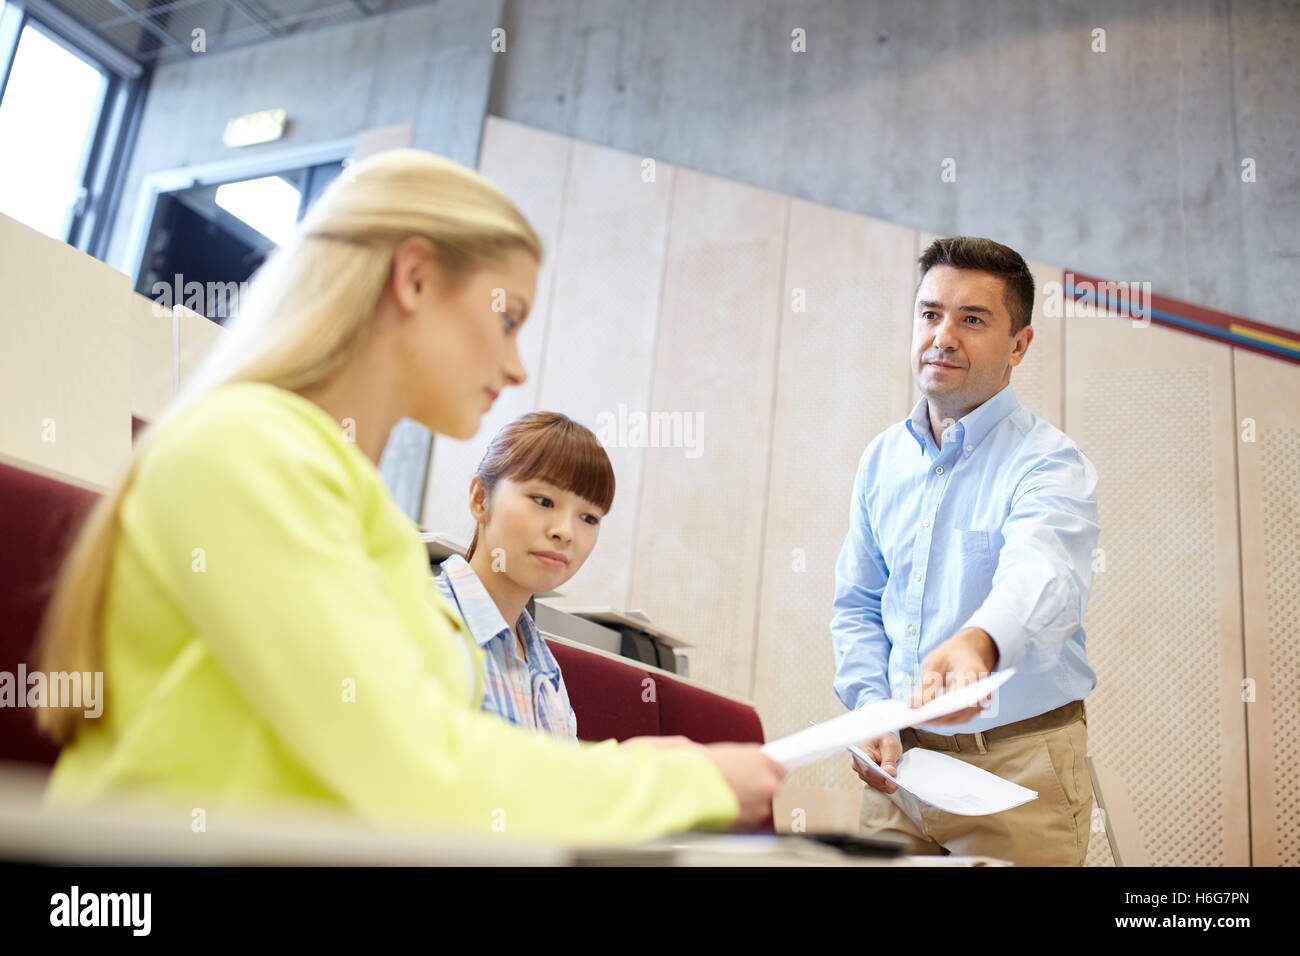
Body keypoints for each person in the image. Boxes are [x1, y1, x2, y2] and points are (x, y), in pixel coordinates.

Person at [36, 149, 785, 844]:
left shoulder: (340, 494)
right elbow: (418, 771)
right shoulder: (245, 449)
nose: (517, 365)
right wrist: (681, 780)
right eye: (507, 319)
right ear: (416, 279)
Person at [831, 236, 1100, 865]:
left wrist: (979, 642)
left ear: (1019, 345)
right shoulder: (881, 459)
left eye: (972, 319)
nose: (942, 336)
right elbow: (858, 604)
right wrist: (870, 709)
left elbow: (1044, 574)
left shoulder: (1050, 463)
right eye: (930, 314)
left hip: (1017, 771)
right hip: (899, 771)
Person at [434, 411, 610, 739]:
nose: (565, 532)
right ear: (480, 499)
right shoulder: (422, 618)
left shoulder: (547, 672)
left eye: (588, 518)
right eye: (544, 501)